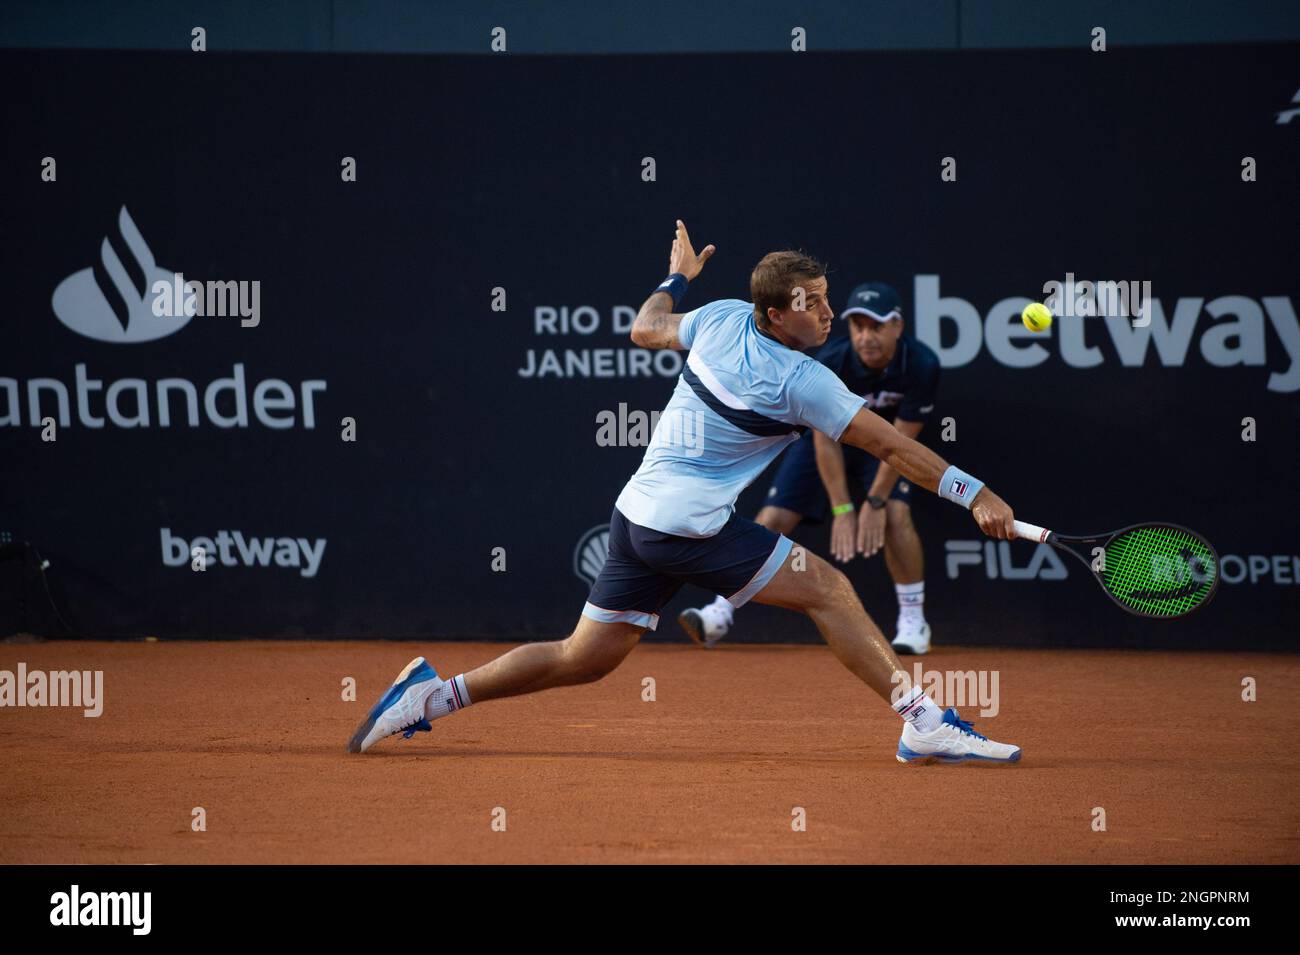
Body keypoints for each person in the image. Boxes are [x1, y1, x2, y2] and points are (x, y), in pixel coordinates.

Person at [348, 221, 1021, 764]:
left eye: (824, 295)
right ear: (774, 312)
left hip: (636, 512)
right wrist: (977, 493)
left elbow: (645, 327)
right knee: (829, 589)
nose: (825, 311)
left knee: (582, 658)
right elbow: (894, 448)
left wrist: (675, 279)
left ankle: (429, 699)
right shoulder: (803, 380)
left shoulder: (722, 317)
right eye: (808, 302)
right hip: (685, 525)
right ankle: (922, 721)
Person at [678, 282, 941, 655]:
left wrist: (876, 501)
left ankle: (914, 622)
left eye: (876, 326)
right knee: (775, 513)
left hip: (883, 448)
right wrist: (842, 507)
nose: (866, 337)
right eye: (859, 327)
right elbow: (823, 439)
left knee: (897, 514)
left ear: (897, 326)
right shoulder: (831, 360)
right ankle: (718, 614)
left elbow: (900, 442)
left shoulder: (922, 365)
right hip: (829, 440)